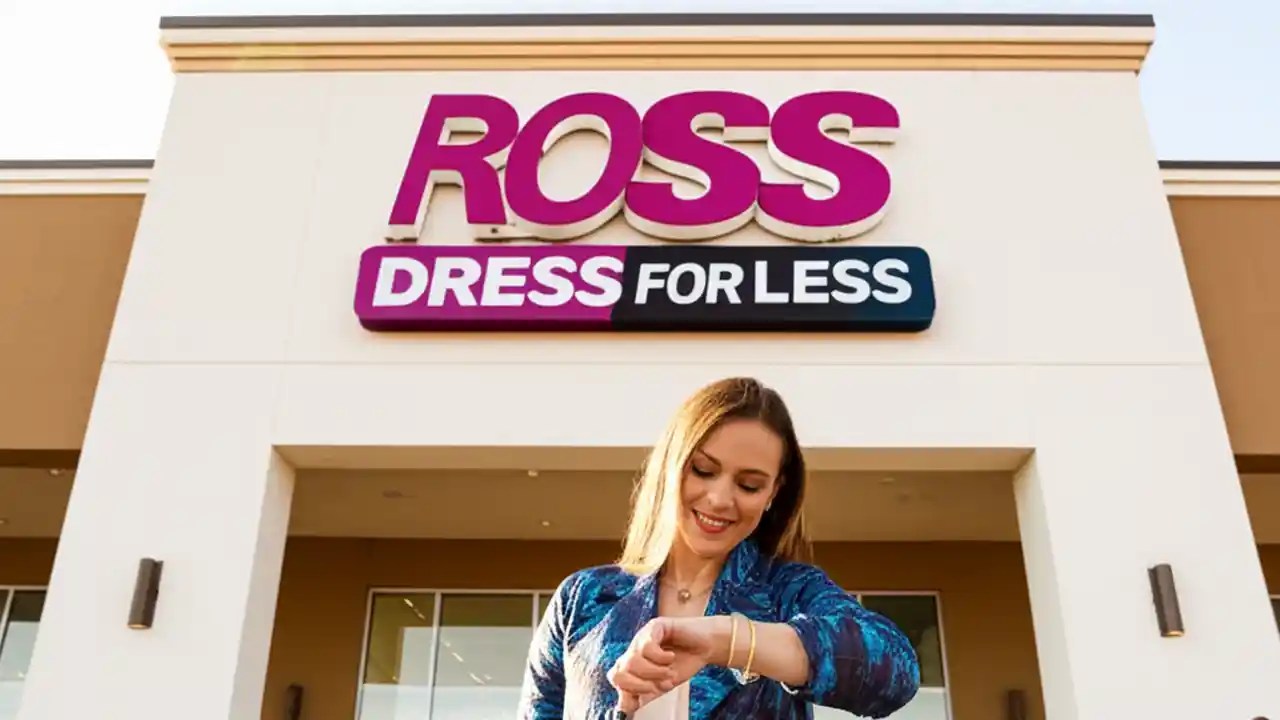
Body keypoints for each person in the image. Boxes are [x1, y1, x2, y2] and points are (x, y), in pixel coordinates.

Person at [517, 377, 921, 720]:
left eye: (749, 485)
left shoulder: (787, 591)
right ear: (671, 463)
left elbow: (895, 671)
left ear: (773, 494)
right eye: (703, 470)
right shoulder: (584, 599)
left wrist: (727, 640)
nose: (719, 499)